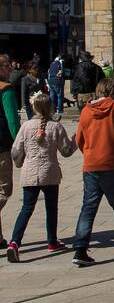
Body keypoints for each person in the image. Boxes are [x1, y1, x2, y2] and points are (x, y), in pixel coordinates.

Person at [71, 78, 114, 268]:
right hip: (112, 165)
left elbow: (79, 140)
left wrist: (91, 154)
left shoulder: (85, 111)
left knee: (88, 207)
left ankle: (80, 248)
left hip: (91, 166)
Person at [6, 93, 76, 262]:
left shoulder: (26, 126)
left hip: (30, 172)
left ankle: (15, 242)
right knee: (51, 208)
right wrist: (75, 141)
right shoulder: (56, 127)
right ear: (51, 107)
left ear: (34, 107)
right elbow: (66, 151)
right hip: (50, 173)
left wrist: (20, 162)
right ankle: (52, 241)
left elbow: (15, 150)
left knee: (26, 208)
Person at [0, 55, 22, 253]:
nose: (10, 69)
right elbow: (12, 120)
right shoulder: (5, 90)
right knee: (3, 191)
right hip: (1, 147)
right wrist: (19, 144)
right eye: (7, 66)